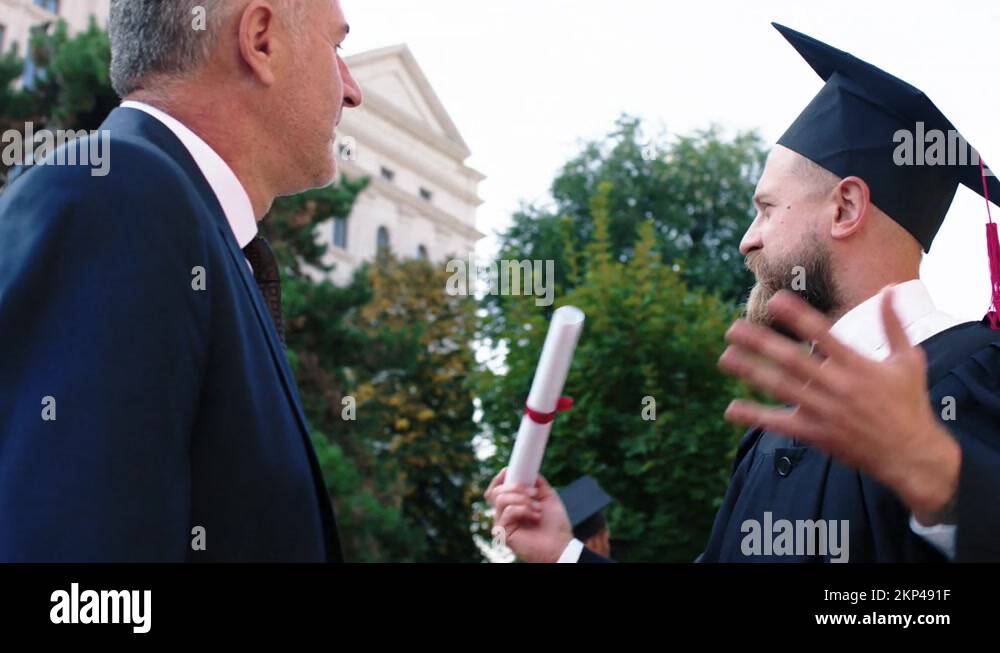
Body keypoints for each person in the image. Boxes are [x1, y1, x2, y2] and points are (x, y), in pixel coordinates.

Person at [486, 23, 1000, 563]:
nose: (746, 240)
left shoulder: (971, 375)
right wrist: (564, 553)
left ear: (846, 208)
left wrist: (947, 484)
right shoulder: (776, 429)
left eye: (767, 209)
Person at [0, 0, 363, 561]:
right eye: (337, 48)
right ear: (261, 39)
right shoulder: (118, 192)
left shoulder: (186, 225)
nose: (352, 89)